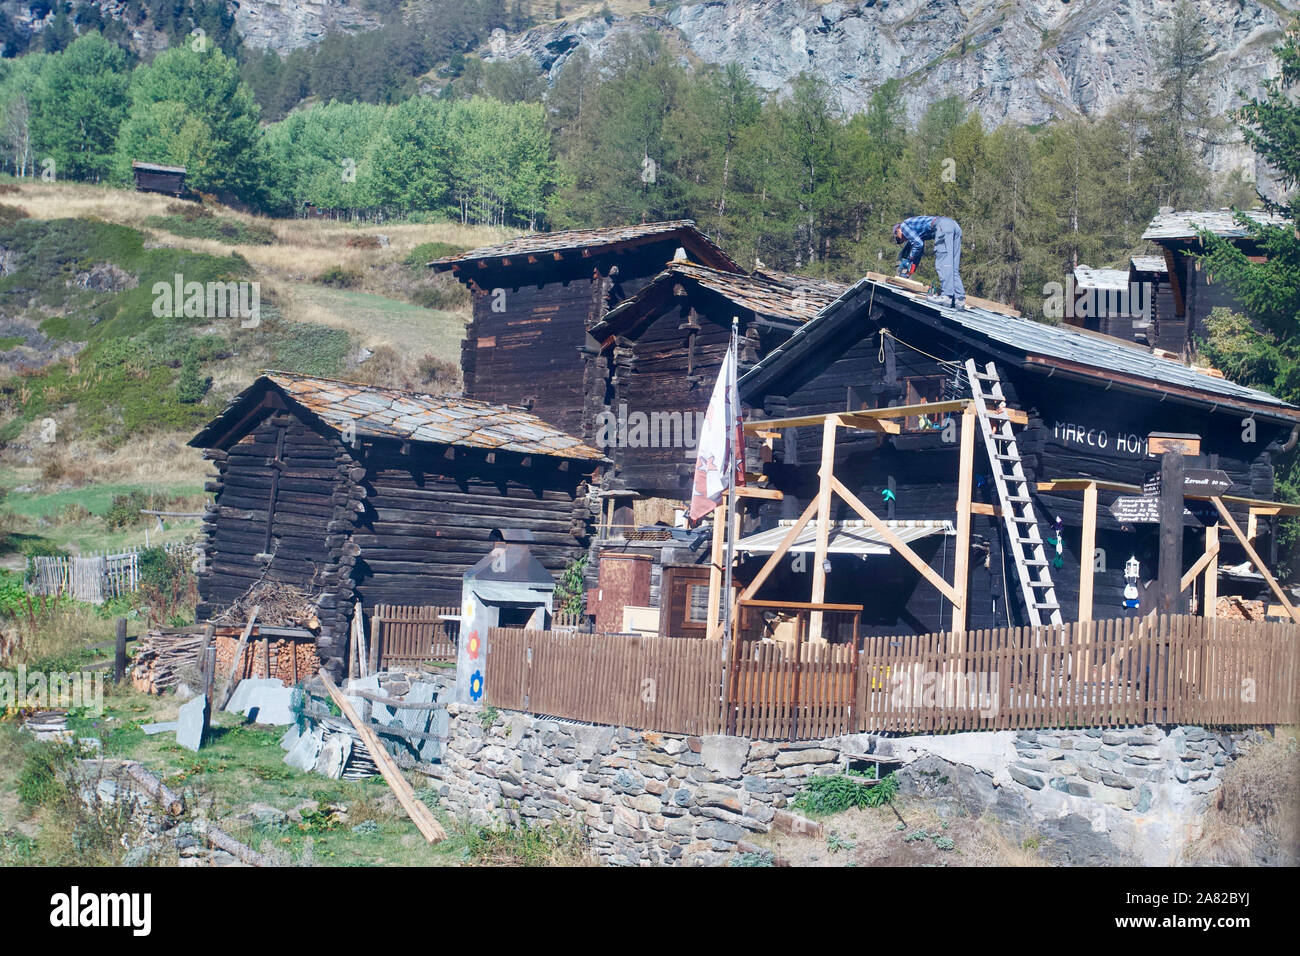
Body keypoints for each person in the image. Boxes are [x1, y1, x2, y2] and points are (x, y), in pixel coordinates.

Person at [893, 216, 966, 310]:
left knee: (943, 263)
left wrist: (909, 259)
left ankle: (946, 297)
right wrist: (910, 271)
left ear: (897, 231)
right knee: (952, 267)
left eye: (899, 239)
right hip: (954, 226)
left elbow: (918, 245)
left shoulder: (903, 226)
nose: (903, 240)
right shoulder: (915, 230)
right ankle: (959, 299)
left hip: (943, 226)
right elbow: (919, 251)